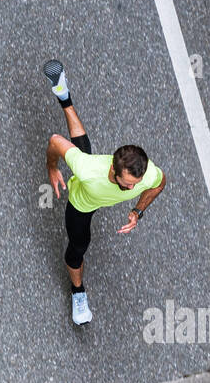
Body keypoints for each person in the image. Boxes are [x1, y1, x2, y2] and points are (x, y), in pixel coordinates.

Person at [42, 60, 166, 324]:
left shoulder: (147, 175)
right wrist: (52, 168)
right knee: (78, 247)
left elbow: (159, 183)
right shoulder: (88, 171)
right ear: (113, 171)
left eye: (137, 183)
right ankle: (78, 292)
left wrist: (138, 210)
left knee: (82, 151)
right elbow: (55, 141)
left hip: (94, 178)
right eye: (128, 184)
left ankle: (63, 93)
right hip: (82, 204)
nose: (133, 188)